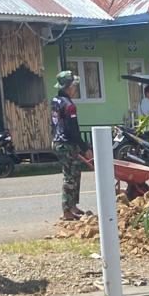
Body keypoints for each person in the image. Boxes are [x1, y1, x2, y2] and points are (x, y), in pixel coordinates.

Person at [51, 71, 91, 221]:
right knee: (70, 177)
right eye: (74, 86)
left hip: (58, 142)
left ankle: (72, 206)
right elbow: (72, 130)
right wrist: (85, 148)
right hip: (67, 144)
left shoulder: (55, 100)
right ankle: (67, 210)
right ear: (68, 87)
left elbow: (54, 125)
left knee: (74, 174)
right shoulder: (69, 106)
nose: (76, 89)